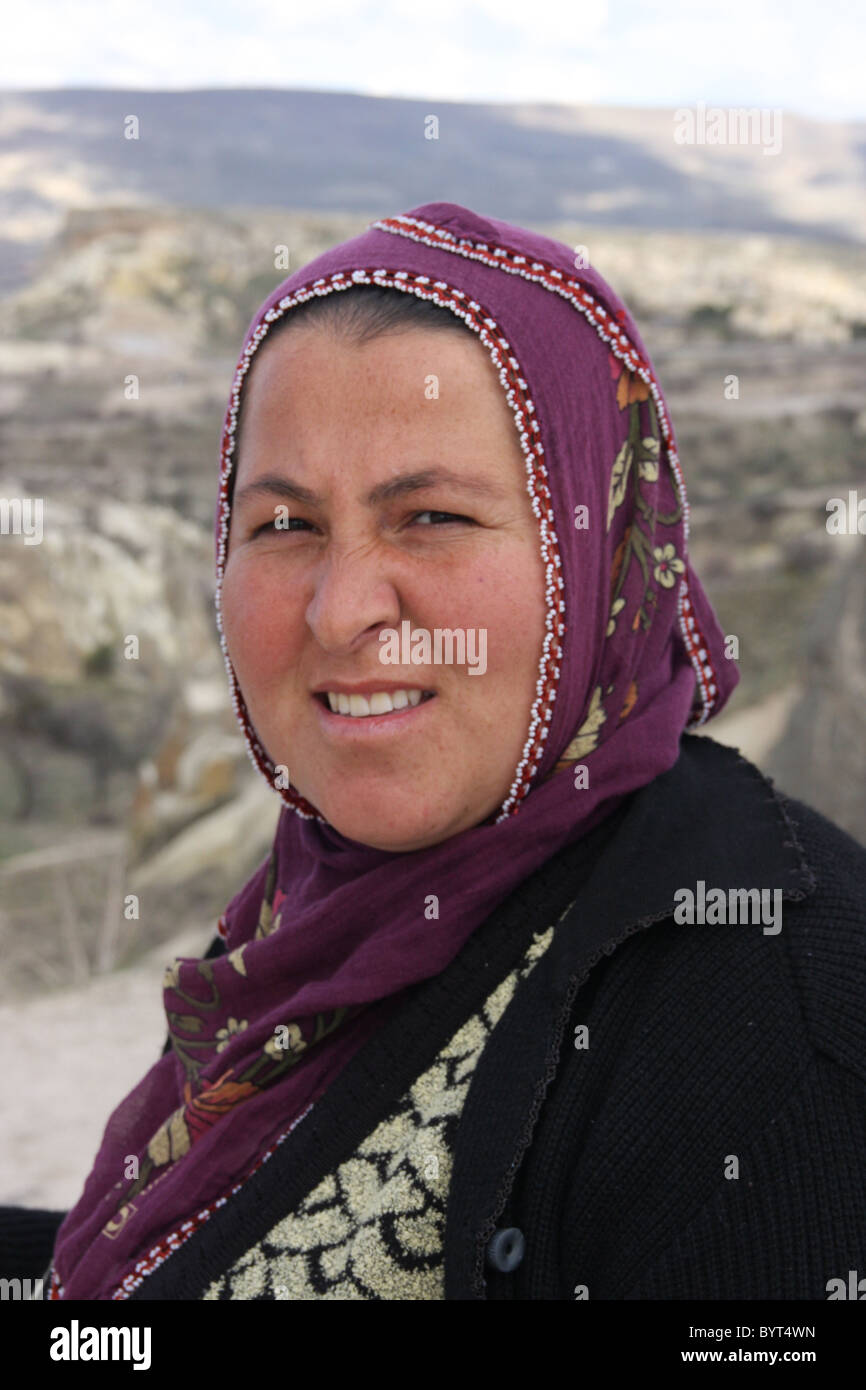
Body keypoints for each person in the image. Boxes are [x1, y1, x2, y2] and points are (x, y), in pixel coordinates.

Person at [4, 201, 865, 1301]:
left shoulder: (777, 1033)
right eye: (284, 525)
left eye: (432, 519)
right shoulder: (320, 920)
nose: (339, 609)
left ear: (594, 553)